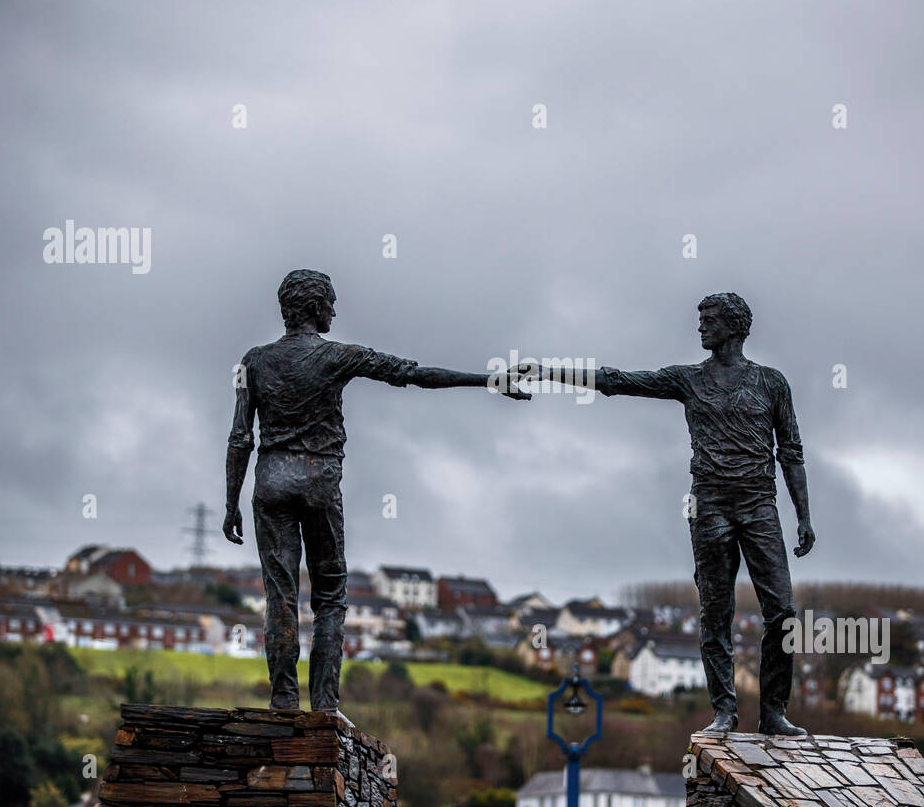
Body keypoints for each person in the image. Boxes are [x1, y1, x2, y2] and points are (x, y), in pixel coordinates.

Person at [224, 269, 527, 712]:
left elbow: (239, 438)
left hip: (270, 481)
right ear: (313, 308)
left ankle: (283, 701)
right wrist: (488, 380)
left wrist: (231, 501)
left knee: (280, 595)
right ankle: (324, 706)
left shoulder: (252, 360)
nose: (334, 310)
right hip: (318, 480)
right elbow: (413, 374)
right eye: (330, 303)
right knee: (330, 595)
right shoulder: (338, 356)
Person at [514, 293, 814, 735]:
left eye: (708, 320)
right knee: (716, 613)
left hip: (759, 506)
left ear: (733, 326)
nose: (700, 327)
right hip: (709, 505)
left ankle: (773, 712)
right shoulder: (688, 379)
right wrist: (548, 373)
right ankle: (724, 712)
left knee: (783, 612)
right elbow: (617, 380)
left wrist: (803, 515)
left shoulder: (772, 383)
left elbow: (791, 451)